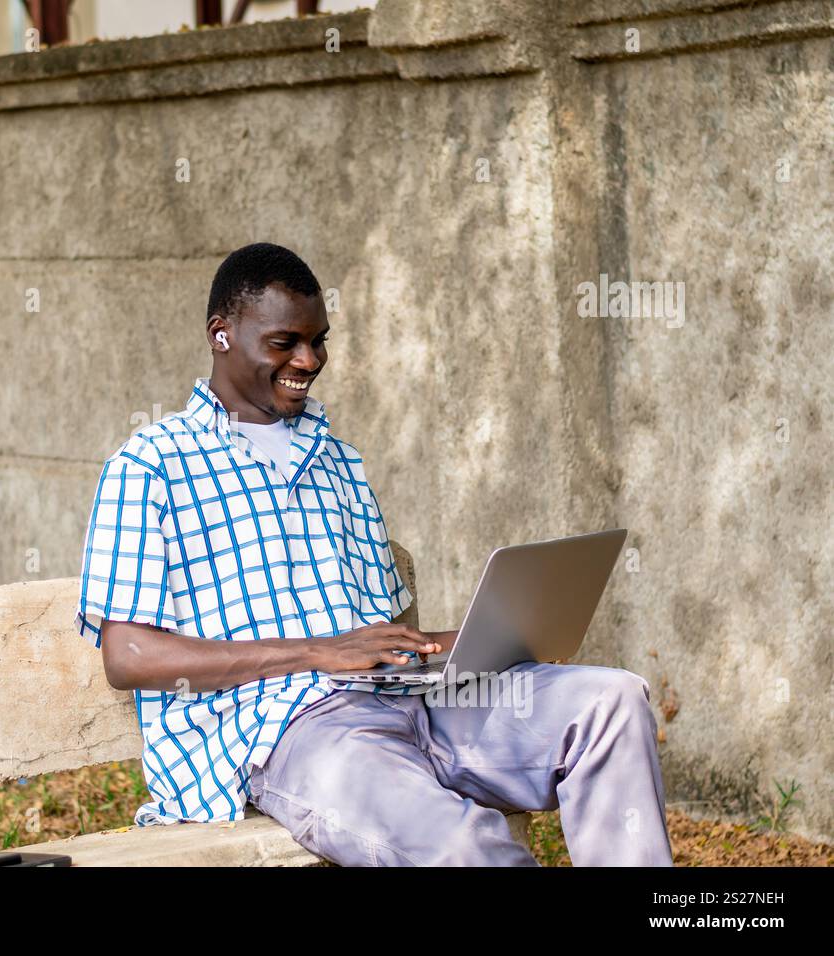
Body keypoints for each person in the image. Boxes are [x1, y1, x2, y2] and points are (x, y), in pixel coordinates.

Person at [74, 242, 673, 866]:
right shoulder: (151, 465)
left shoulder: (338, 458)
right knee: (462, 843)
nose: (308, 360)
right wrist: (317, 652)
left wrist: (482, 640)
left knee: (611, 702)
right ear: (221, 335)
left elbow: (380, 634)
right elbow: (131, 655)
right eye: (285, 342)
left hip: (415, 705)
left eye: (319, 340)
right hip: (292, 736)